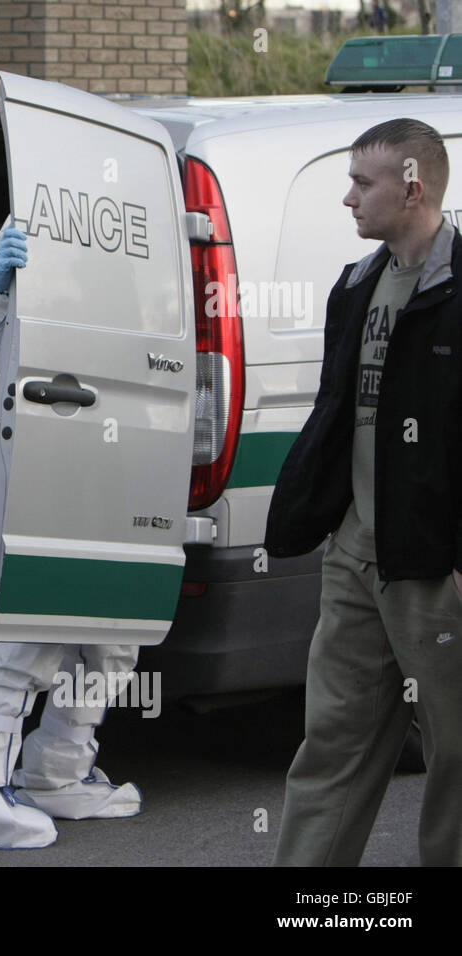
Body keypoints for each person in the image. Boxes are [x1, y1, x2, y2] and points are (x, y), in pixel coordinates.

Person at [265, 119, 462, 866]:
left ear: (412, 184)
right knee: (333, 746)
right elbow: (338, 413)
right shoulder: (357, 284)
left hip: (435, 568)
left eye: (362, 182)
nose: (348, 198)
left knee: (456, 755)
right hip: (356, 558)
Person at [0, 219, 143, 849]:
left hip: (121, 454)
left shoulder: (139, 225)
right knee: (34, 628)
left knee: (113, 631)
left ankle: (57, 774)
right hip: (47, 451)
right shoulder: (28, 223)